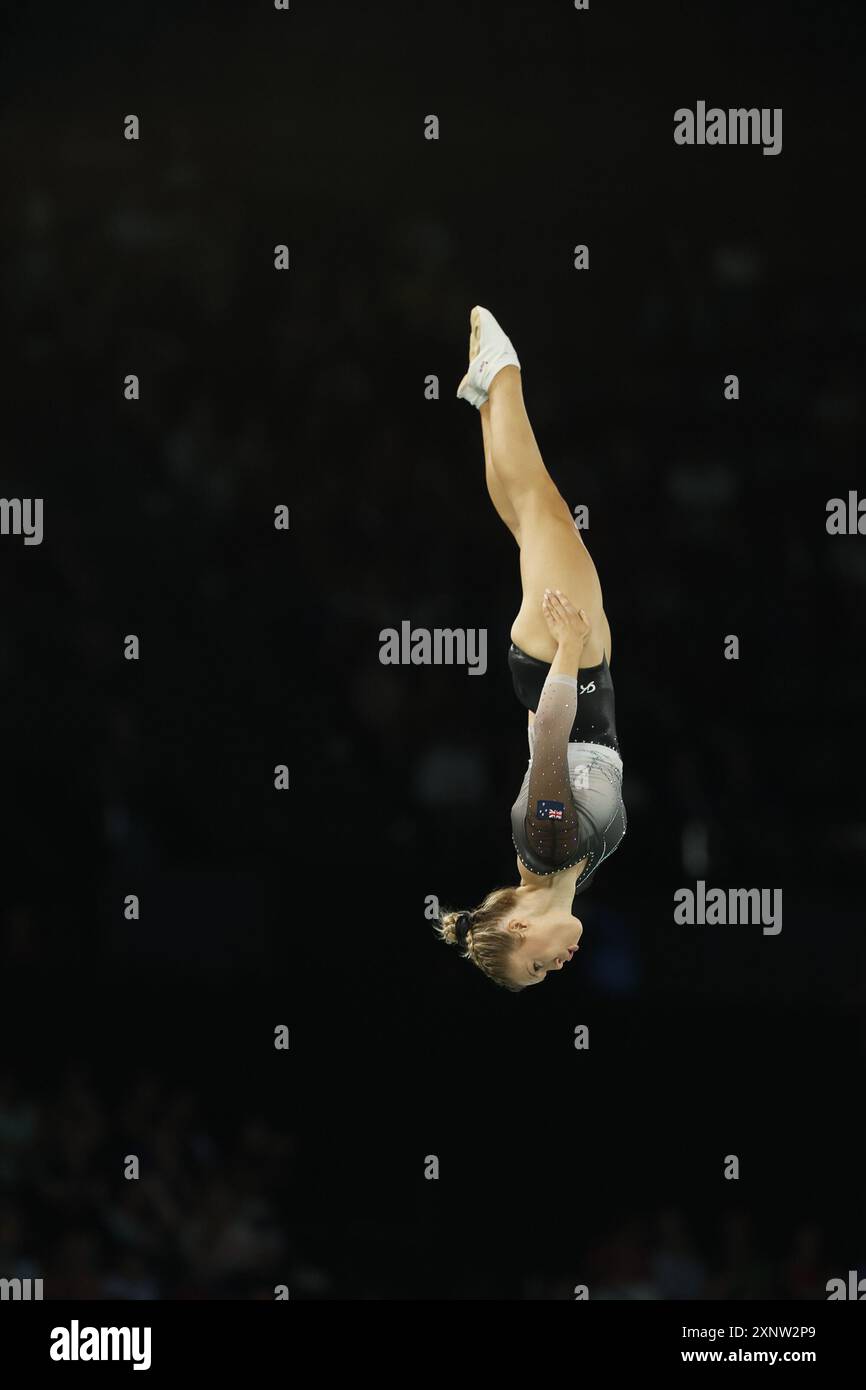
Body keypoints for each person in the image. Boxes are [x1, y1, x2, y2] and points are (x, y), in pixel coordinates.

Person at [435, 307, 626, 990]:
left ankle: (501, 373)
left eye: (538, 964)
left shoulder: (547, 848)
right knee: (527, 517)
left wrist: (571, 652)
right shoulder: (552, 863)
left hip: (564, 662)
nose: (558, 964)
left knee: (541, 506)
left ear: (519, 926)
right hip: (552, 668)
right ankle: (487, 398)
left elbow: (548, 735)